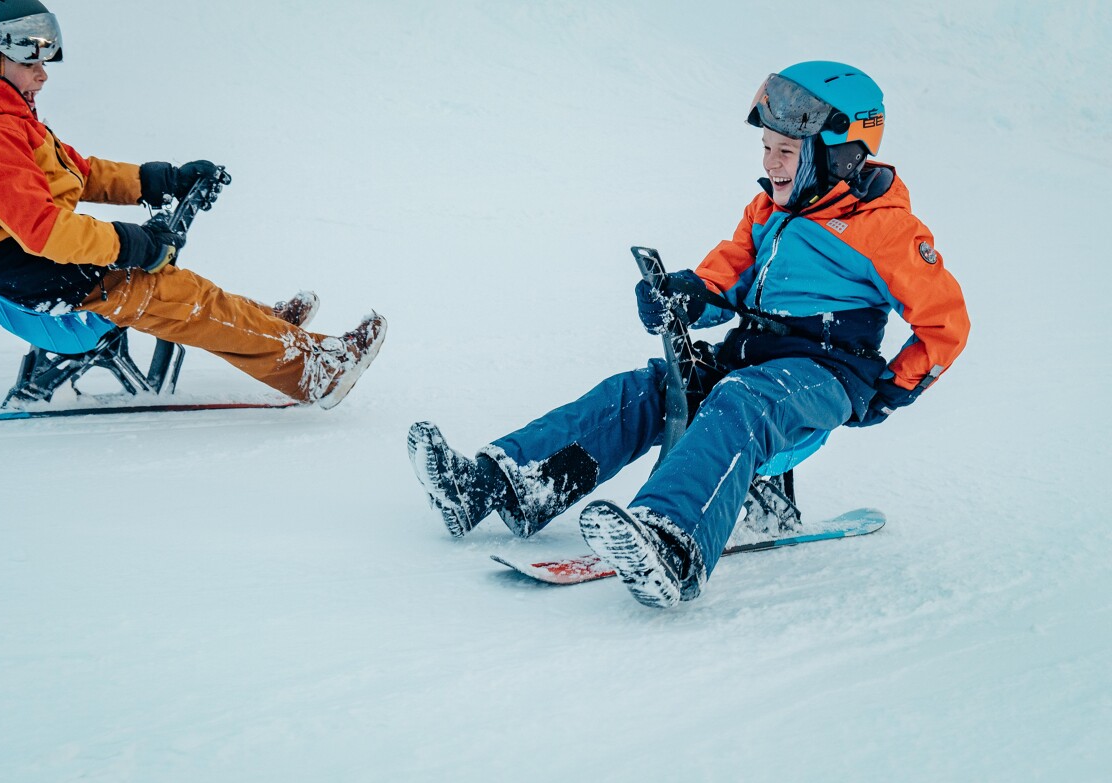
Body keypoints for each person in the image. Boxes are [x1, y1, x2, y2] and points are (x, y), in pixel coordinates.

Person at [407, 61, 970, 608]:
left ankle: (672, 543)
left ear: (841, 153)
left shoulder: (887, 229)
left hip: (826, 374)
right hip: (750, 360)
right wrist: (687, 295)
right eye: (766, 147)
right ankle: (498, 485)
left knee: (739, 400)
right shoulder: (768, 210)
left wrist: (893, 389)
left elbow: (945, 323)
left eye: (787, 151)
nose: (771, 163)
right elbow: (726, 275)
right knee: (645, 390)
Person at [0, 0, 385, 408]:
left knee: (182, 287)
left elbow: (80, 173)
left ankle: (267, 325)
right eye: (28, 56)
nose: (43, 72)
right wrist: (133, 243)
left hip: (44, 272)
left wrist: (159, 181)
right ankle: (315, 371)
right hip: (43, 285)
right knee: (180, 297)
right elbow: (47, 230)